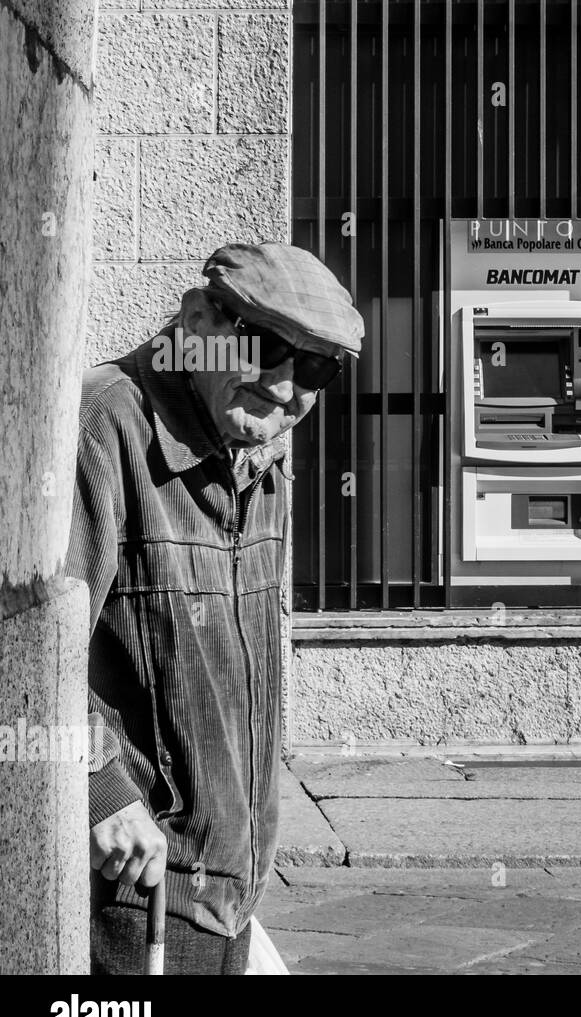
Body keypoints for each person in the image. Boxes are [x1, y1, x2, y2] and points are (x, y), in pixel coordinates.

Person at [67, 243, 363, 974]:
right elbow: (18, 652)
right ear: (198, 320)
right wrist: (100, 794)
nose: (288, 385)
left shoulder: (256, 458)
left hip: (231, 891)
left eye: (319, 368)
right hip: (126, 894)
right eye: (267, 345)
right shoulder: (100, 425)